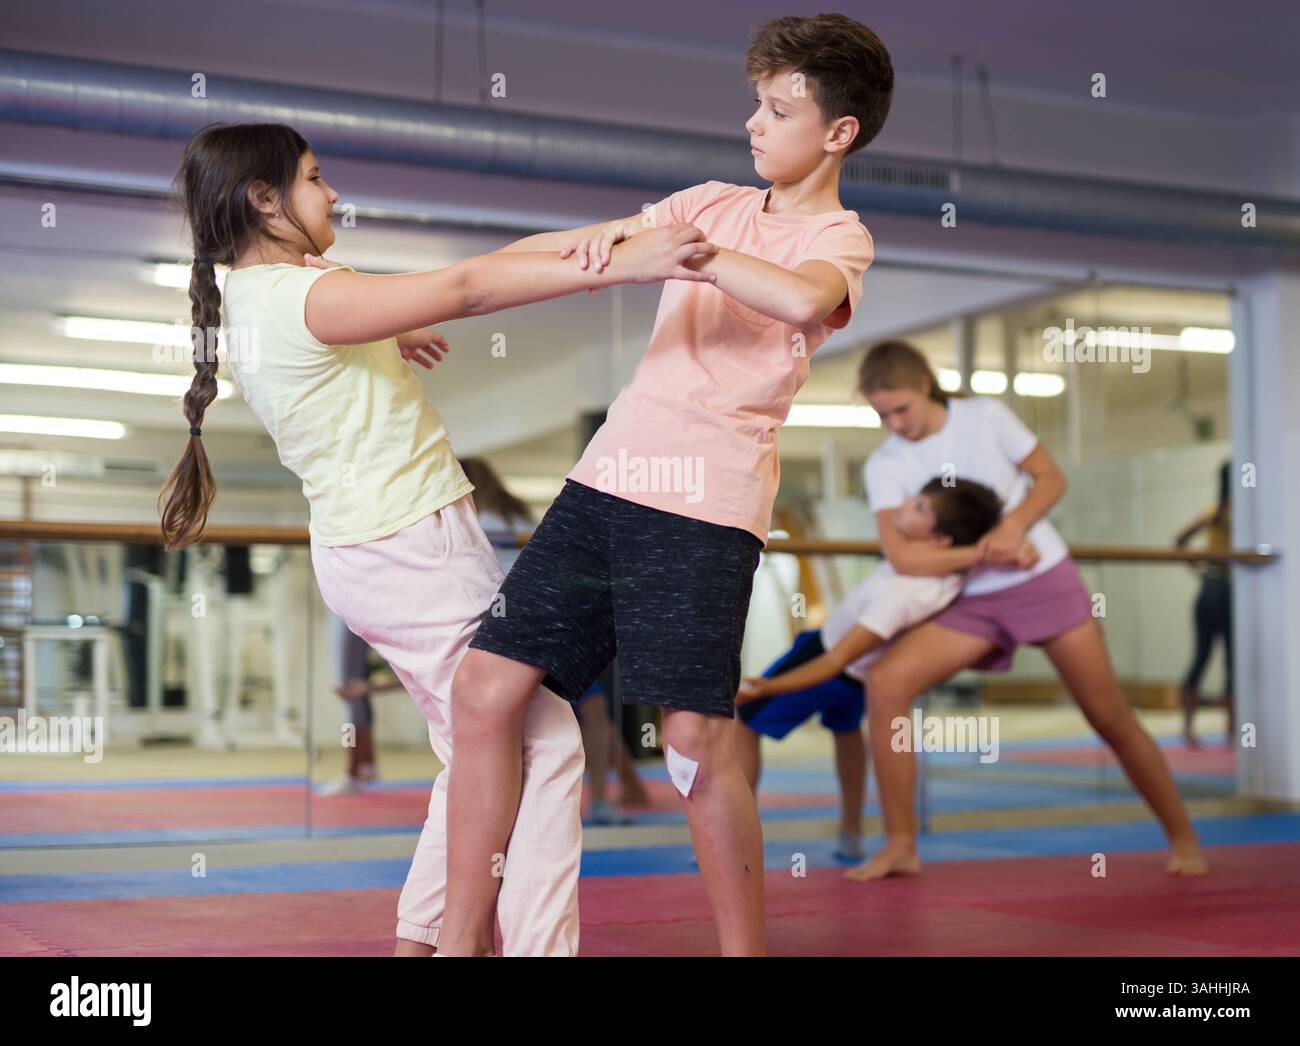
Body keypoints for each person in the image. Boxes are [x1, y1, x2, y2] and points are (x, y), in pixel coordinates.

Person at [157, 121, 720, 956]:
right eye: (316, 178)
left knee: (481, 755)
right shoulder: (301, 298)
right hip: (408, 546)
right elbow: (465, 287)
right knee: (546, 745)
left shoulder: (280, 287)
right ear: (264, 201)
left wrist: (616, 238)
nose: (334, 192)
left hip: (381, 547)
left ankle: (426, 941)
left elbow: (497, 258)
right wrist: (630, 267)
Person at [441, 14, 891, 956]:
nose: (754, 125)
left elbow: (804, 297)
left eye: (777, 109)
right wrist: (456, 283)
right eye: (755, 106)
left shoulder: (840, 235)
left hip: (707, 505)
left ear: (838, 131)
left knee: (690, 738)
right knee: (483, 692)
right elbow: (579, 245)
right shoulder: (708, 201)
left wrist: (686, 253)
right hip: (605, 485)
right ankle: (461, 937)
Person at [844, 339, 1208, 881]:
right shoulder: (886, 464)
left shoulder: (985, 416)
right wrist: (990, 548)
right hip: (967, 598)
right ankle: (900, 843)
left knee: (1108, 715)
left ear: (925, 385)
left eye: (901, 409)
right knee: (886, 685)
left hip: (1042, 578)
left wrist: (1011, 528)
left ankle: (1183, 837)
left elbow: (1051, 478)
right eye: (881, 414)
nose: (894, 423)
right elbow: (902, 557)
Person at [735, 477, 1008, 861]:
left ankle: (734, 837)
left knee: (744, 722)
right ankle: (851, 832)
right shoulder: (938, 572)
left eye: (920, 508)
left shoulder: (905, 594)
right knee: (845, 732)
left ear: (940, 541)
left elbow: (834, 662)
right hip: (853, 672)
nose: (907, 502)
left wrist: (768, 687)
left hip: (828, 660)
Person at [459, 456, 648, 824]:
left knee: (514, 719)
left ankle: (506, 805)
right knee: (590, 714)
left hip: (515, 630)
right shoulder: (520, 518)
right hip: (556, 620)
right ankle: (599, 801)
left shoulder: (479, 524)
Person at [1174, 461, 1234, 748]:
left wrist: (1199, 569)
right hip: (1228, 590)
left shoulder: (1213, 512)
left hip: (1209, 588)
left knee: (1201, 657)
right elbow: (1180, 540)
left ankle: (1188, 728)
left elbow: (1180, 540)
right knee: (1233, 662)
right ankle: (1232, 733)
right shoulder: (1237, 515)